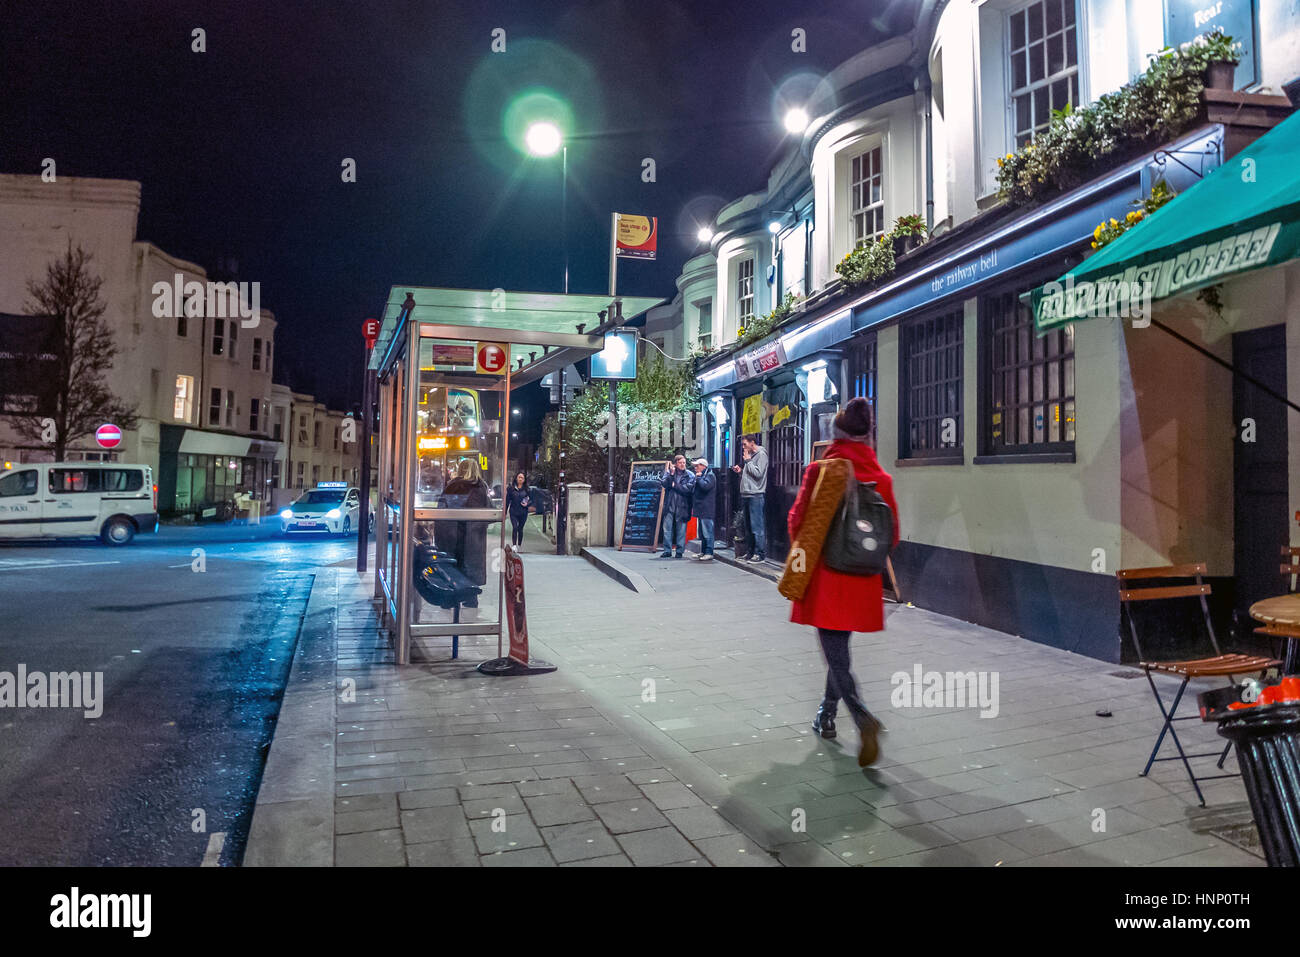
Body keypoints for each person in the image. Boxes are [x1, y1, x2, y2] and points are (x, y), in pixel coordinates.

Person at [786, 396, 899, 767]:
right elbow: (892, 536)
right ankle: (826, 715)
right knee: (840, 652)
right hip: (863, 580)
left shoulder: (821, 470)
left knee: (835, 655)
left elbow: (797, 522)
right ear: (868, 436)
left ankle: (863, 717)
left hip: (827, 580)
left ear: (837, 432)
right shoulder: (881, 478)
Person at [435, 459, 491, 606]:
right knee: (470, 566)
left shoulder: (452, 486)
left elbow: (441, 510)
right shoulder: (481, 486)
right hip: (472, 536)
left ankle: (449, 600)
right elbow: (490, 512)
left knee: (452, 565)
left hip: (451, 533)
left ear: (460, 469)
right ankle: (470, 599)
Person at [731, 434, 769, 563]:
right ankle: (750, 552)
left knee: (757, 526)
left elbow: (759, 474)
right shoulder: (751, 457)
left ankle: (760, 554)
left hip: (756, 494)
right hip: (746, 494)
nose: (743, 447)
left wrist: (748, 461)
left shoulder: (761, 455)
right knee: (748, 526)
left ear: (752, 443)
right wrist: (741, 471)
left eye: (745, 444)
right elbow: (751, 474)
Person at [658, 454, 696, 559]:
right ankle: (667, 550)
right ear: (675, 464)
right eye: (680, 463)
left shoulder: (690, 475)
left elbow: (687, 490)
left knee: (681, 530)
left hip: (683, 506)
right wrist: (671, 475)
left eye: (684, 462)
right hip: (669, 505)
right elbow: (664, 484)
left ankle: (679, 551)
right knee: (667, 529)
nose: (683, 464)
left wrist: (675, 486)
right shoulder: (669, 473)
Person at [689, 457, 716, 561]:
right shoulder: (704, 475)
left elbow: (705, 487)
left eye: (697, 466)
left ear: (703, 466)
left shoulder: (710, 475)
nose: (695, 468)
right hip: (701, 508)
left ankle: (709, 552)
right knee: (702, 531)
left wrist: (699, 479)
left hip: (706, 508)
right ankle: (703, 551)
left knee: (707, 531)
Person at [505, 471, 531, 547]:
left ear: (524, 480)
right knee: (515, 527)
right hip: (513, 512)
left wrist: (527, 504)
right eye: (519, 477)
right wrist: (505, 511)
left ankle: (519, 544)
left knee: (520, 528)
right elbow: (507, 500)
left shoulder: (527, 489)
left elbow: (531, 500)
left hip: (523, 512)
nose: (520, 479)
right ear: (516, 478)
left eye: (522, 478)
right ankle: (514, 545)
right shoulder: (511, 489)